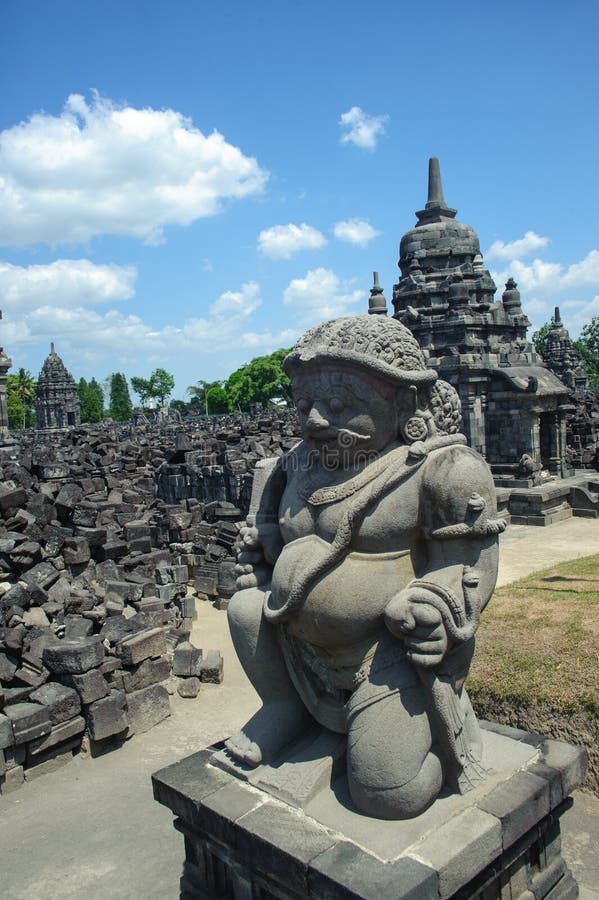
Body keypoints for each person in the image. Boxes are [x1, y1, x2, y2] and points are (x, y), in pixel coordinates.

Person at [226, 315, 505, 819]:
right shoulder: (295, 464)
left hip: (385, 656)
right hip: (295, 644)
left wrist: (435, 605)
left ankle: (438, 748)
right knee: (245, 608)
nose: (313, 421)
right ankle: (284, 708)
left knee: (386, 793)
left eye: (337, 404)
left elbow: (469, 568)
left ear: (404, 402)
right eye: (304, 404)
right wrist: (266, 549)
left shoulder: (444, 470)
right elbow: (282, 537)